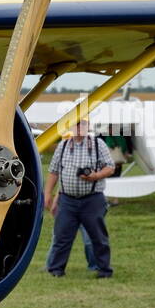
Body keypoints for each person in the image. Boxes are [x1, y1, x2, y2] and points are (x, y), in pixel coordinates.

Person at [44, 117, 116, 277]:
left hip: (92, 199)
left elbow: (110, 167)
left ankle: (104, 270)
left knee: (98, 237)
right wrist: (48, 193)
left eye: (83, 123)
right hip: (67, 199)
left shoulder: (98, 144)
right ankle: (56, 270)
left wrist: (95, 176)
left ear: (88, 125)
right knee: (62, 236)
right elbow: (53, 171)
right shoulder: (63, 146)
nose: (79, 127)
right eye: (76, 123)